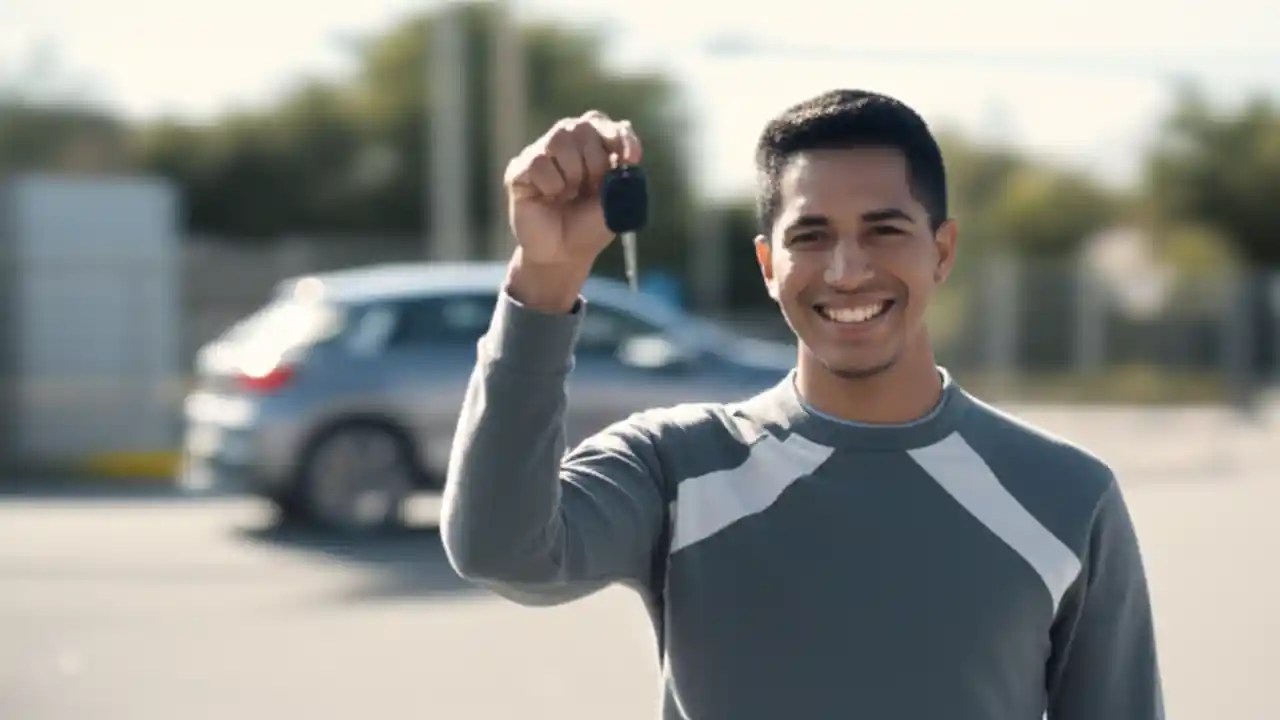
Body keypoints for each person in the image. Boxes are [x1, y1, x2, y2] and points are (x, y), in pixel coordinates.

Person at [441, 89, 1164, 719]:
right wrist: (547, 273)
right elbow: (498, 548)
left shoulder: (1069, 495)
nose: (847, 271)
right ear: (767, 265)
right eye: (811, 237)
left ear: (942, 251)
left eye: (884, 230)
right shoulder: (676, 466)